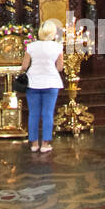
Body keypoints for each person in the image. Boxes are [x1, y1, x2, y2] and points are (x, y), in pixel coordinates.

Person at [19, 20, 64, 153]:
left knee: (33, 114)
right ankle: (45, 144)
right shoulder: (57, 47)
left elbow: (24, 67)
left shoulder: (31, 46)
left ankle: (34, 144)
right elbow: (60, 67)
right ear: (53, 33)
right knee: (47, 114)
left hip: (33, 82)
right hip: (51, 82)